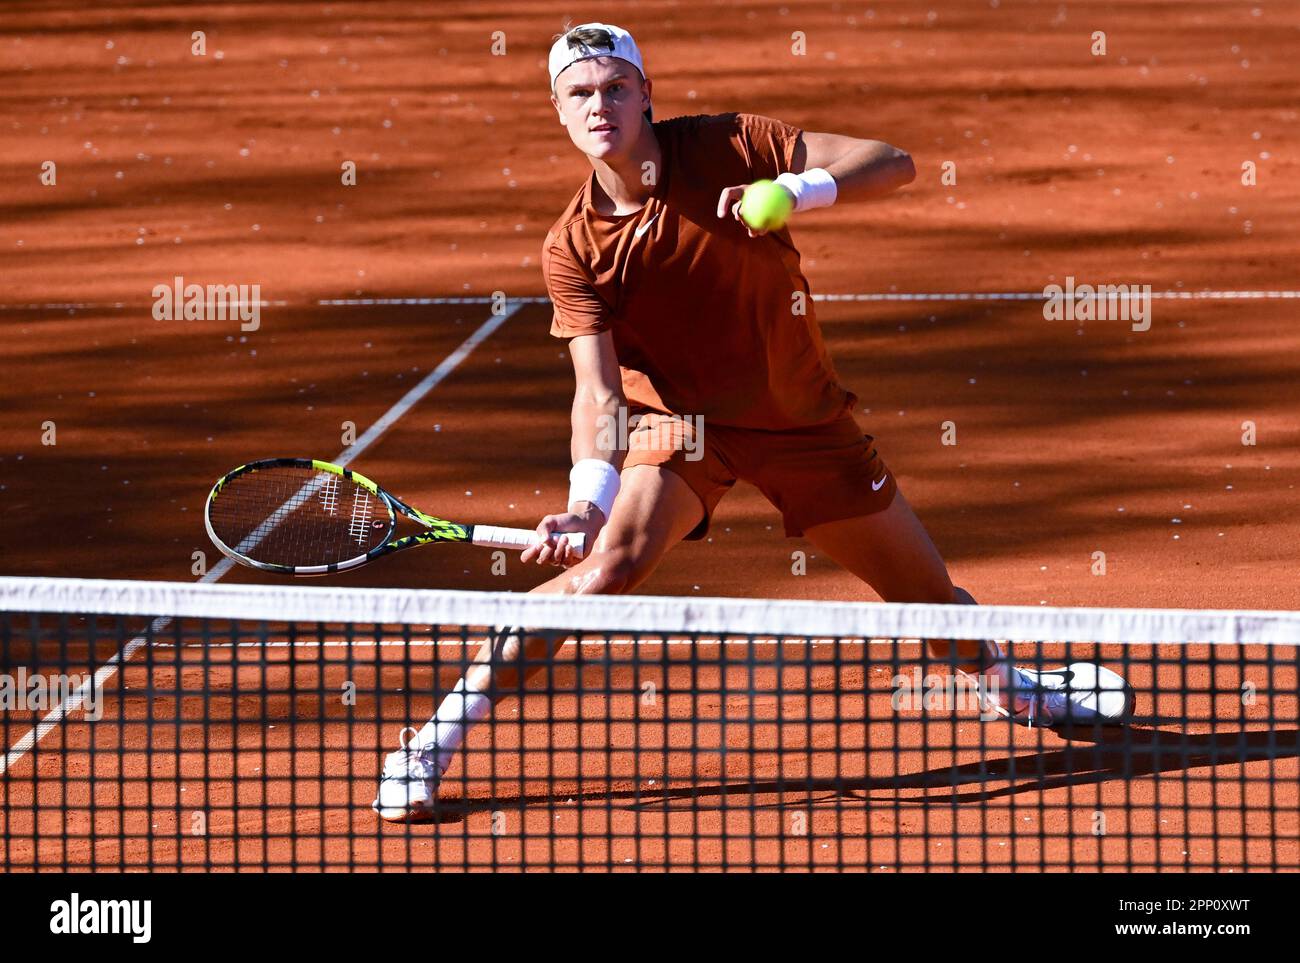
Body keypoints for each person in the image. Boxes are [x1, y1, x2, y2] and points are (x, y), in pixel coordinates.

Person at [373, 22, 1133, 822]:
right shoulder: (573, 246)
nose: (601, 106)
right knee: (604, 570)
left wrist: (795, 192)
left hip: (802, 421)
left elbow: (893, 163)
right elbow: (597, 391)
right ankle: (430, 741)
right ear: (558, 112)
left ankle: (1017, 691)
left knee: (926, 599)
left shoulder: (731, 146)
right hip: (685, 430)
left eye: (616, 88)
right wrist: (587, 499)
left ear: (645, 95)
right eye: (580, 94)